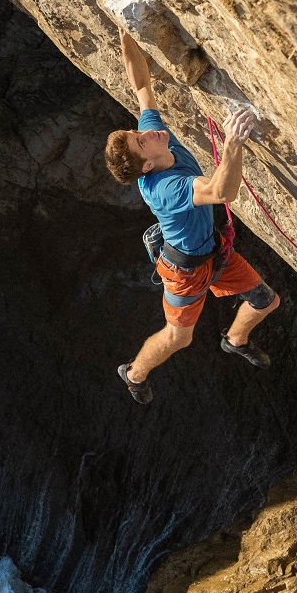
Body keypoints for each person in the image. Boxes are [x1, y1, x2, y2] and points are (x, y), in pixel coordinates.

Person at [105, 27, 280, 404]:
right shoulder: (166, 188)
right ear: (147, 164)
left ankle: (235, 340)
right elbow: (221, 192)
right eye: (141, 140)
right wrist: (233, 143)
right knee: (179, 337)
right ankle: (134, 374)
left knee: (266, 300)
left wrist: (126, 37)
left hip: (212, 249)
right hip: (185, 272)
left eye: (138, 132)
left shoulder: (155, 144)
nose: (147, 131)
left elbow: (141, 87)